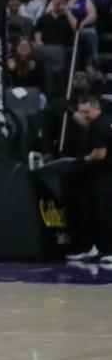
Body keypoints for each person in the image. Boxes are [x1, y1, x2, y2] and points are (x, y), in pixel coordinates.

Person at [63, 94, 112, 266]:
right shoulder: (106, 121)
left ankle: (108, 251)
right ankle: (93, 247)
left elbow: (99, 154)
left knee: (104, 214)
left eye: (87, 112)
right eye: (81, 112)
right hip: (101, 176)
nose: (83, 116)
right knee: (93, 212)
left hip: (106, 176)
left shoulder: (98, 125)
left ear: (96, 108)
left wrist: (83, 160)